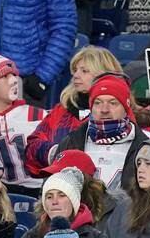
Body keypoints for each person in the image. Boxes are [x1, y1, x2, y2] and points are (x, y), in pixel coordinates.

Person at [23, 45, 122, 176]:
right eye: (75, 70)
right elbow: (32, 147)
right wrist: (55, 153)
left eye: (84, 71)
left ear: (104, 74)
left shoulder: (118, 112)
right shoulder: (62, 109)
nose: (76, 75)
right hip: (58, 186)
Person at [0, 49, 47, 191]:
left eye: (14, 75)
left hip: (39, 193)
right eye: (5, 76)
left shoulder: (37, 115)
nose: (13, 80)